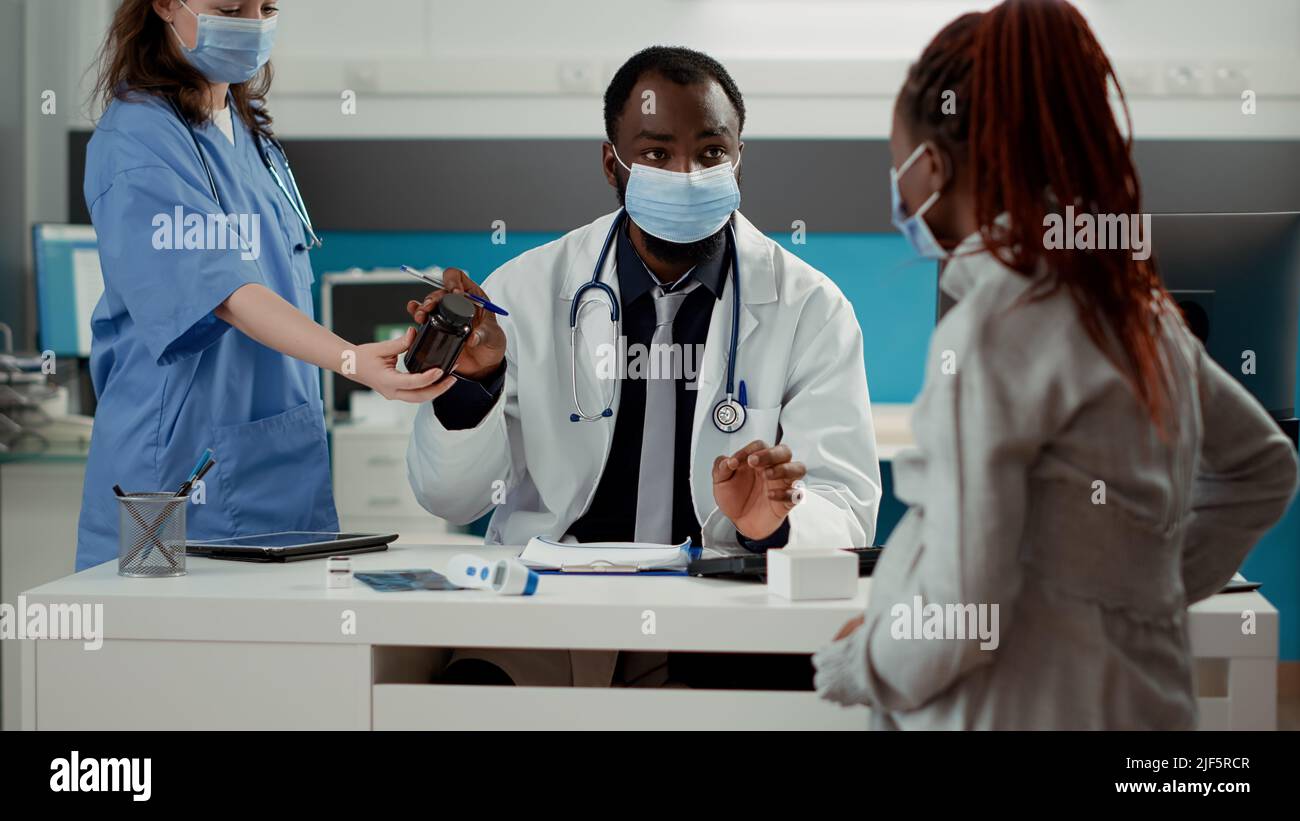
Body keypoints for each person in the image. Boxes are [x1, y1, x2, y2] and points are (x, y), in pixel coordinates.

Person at [812, 0, 1299, 729]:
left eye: (898, 167)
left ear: (934, 166)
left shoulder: (989, 331)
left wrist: (862, 663)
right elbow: (1264, 467)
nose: (898, 192)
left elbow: (967, 613)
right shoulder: (1139, 315)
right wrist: (1146, 591)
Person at [406, 46, 882, 687]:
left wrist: (775, 521)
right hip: (548, 611)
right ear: (613, 163)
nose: (687, 173)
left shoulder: (810, 309)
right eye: (657, 153)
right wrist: (474, 386)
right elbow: (449, 497)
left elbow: (847, 508)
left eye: (711, 152)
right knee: (463, 700)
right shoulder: (523, 293)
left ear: (740, 160)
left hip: (726, 617)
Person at [76, 0, 443, 570]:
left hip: (279, 458)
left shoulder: (251, 138)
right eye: (229, 8)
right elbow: (223, 290)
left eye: (265, 7)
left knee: (291, 648)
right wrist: (351, 361)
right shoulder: (136, 141)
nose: (250, 24)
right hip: (177, 474)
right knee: (178, 648)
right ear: (166, 4)